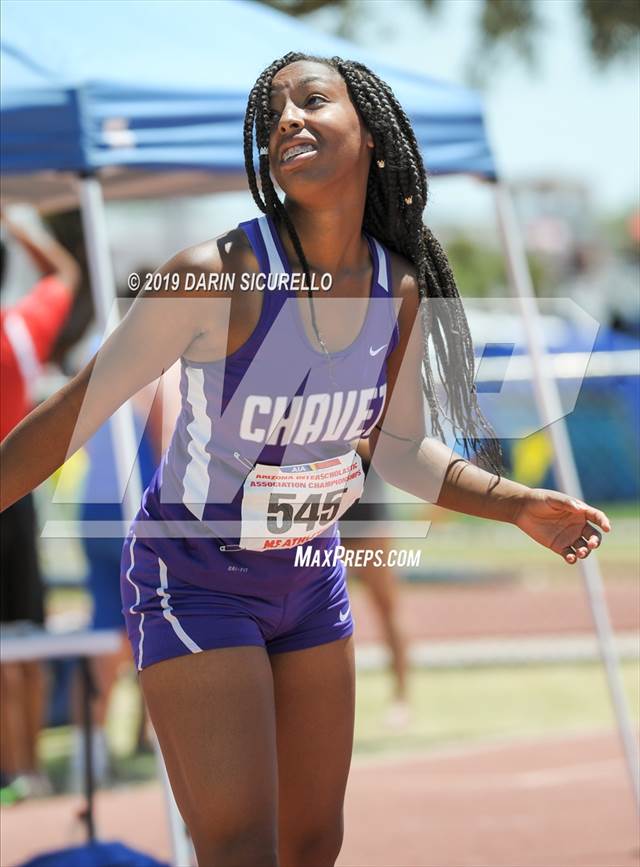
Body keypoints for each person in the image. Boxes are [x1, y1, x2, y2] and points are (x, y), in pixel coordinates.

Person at [0, 53, 610, 866]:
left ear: (373, 136)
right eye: (272, 114)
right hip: (195, 576)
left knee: (315, 843)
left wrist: (516, 503)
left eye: (312, 101)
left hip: (310, 574)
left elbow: (399, 448)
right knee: (242, 847)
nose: (287, 118)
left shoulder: (398, 289)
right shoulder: (215, 276)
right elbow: (72, 414)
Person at [0, 209, 80, 803]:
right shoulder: (21, 330)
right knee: (24, 636)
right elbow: (65, 271)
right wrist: (16, 219)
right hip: (16, 493)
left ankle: (13, 771)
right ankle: (26, 770)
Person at [340, 441, 410, 727]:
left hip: (368, 519)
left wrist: (342, 436)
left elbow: (381, 447)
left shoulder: (365, 399)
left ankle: (401, 697)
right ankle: (333, 703)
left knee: (386, 607)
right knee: (318, 614)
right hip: (324, 519)